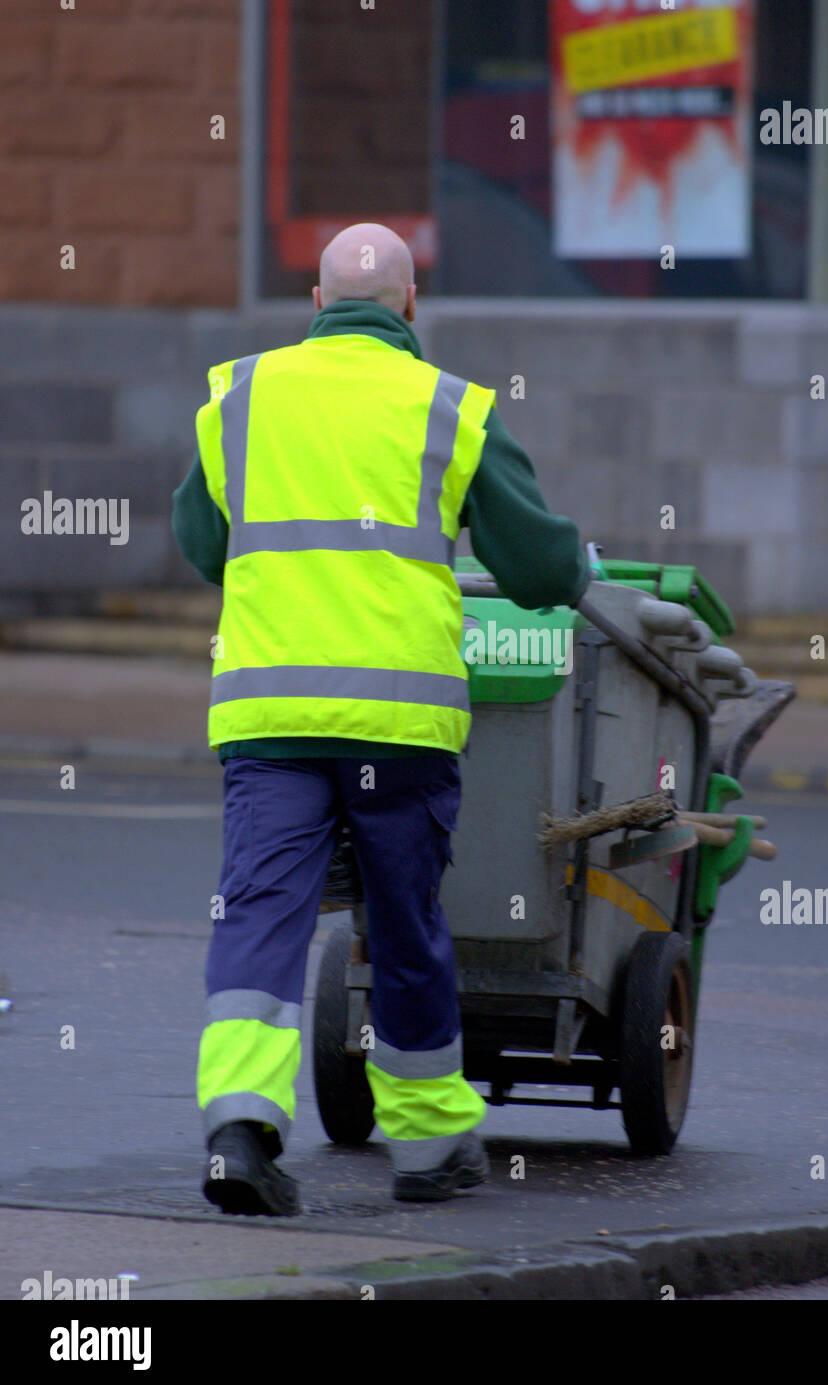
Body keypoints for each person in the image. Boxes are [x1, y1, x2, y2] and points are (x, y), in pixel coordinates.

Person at [172, 223, 589, 1211]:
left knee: (261, 913)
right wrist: (578, 569)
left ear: (317, 304)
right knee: (404, 925)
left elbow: (201, 540)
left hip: (271, 714)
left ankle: (240, 1131)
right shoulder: (449, 406)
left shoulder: (242, 395)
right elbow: (534, 566)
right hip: (397, 727)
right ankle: (427, 1142)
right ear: (411, 305)